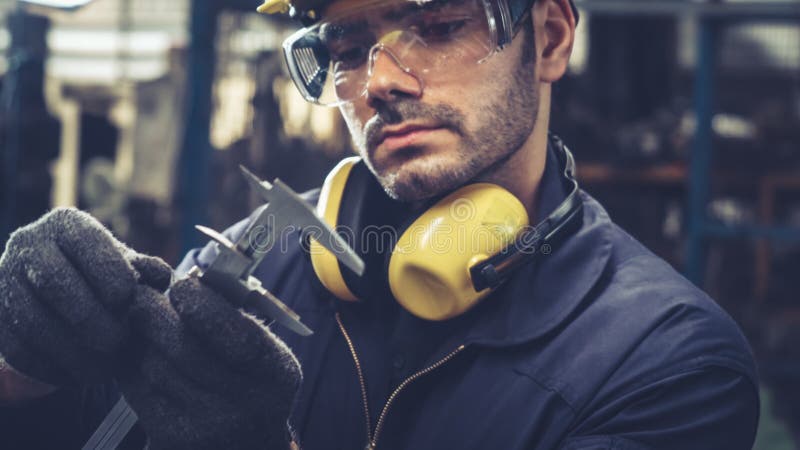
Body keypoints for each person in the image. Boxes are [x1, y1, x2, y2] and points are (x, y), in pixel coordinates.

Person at [0, 0, 760, 449]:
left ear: (552, 39)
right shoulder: (265, 259)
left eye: (435, 23)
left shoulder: (670, 363)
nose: (379, 81)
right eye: (348, 48)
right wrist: (26, 366)